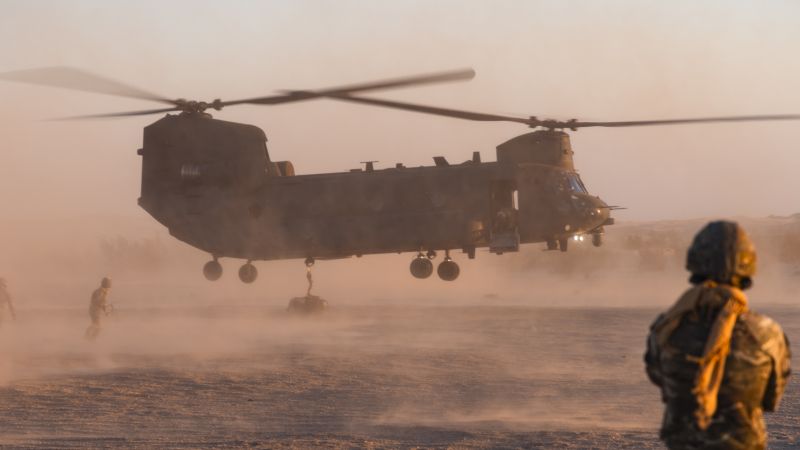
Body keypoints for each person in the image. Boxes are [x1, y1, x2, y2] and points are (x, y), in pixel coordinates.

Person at [645, 221, 791, 450]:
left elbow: (658, 376)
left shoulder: (668, 328)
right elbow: (771, 398)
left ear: (694, 263)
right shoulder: (767, 333)